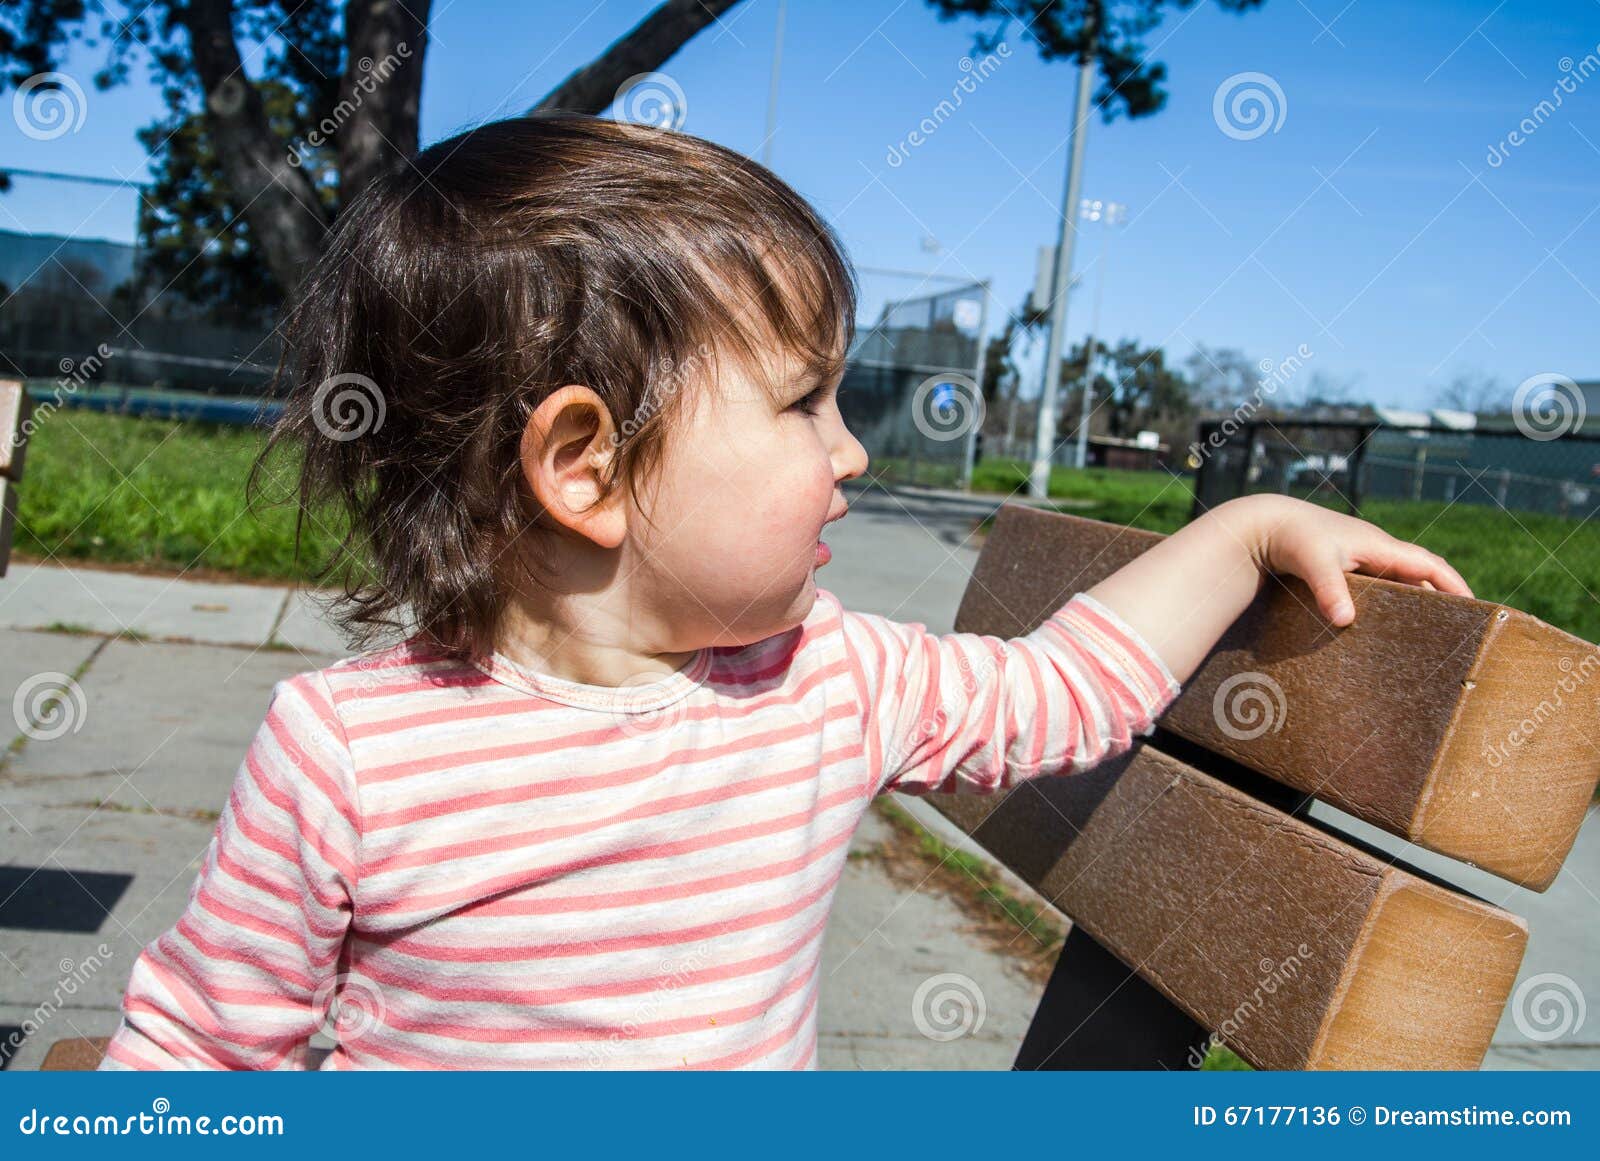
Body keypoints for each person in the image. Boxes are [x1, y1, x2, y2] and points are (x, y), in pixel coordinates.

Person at [98, 113, 1472, 1071]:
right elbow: (204, 1046)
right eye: (805, 402)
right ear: (587, 465)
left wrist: (1241, 531)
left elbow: (1059, 692)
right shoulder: (349, 752)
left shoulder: (830, 678)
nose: (851, 449)